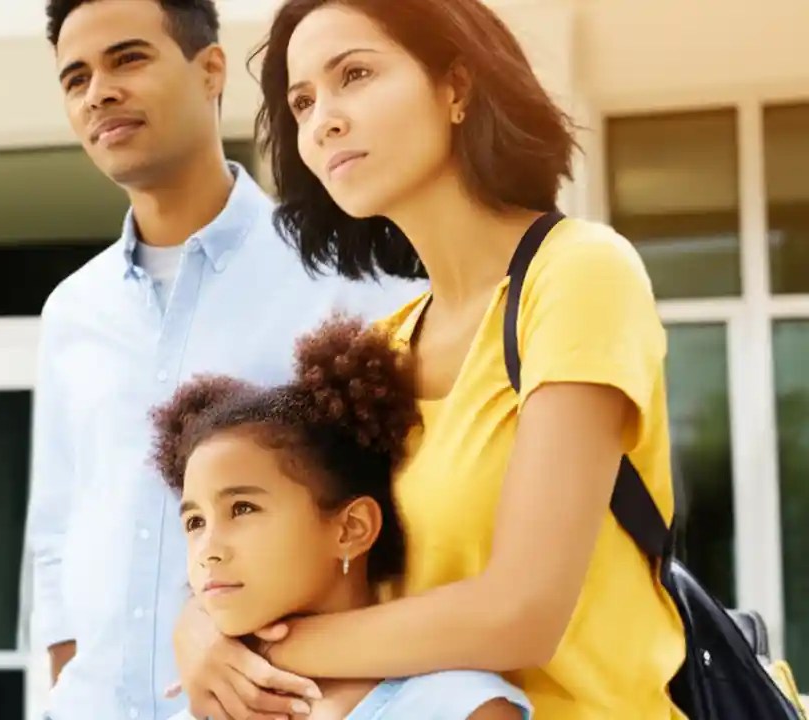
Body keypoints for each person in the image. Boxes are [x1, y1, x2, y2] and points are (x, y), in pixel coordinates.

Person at [171, 0, 688, 718]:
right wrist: (197, 627)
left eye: (354, 74)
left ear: (457, 88)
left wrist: (259, 649)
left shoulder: (578, 275)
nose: (323, 120)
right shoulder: (376, 351)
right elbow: (281, 537)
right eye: (302, 101)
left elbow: (522, 614)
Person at [28, 1, 421, 718]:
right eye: (75, 77)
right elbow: (57, 531)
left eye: (128, 58)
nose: (99, 92)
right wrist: (67, 680)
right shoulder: (72, 312)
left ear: (211, 69)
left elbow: (397, 529)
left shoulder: (347, 281)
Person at [150, 315, 532, 720]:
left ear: (352, 528)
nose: (207, 551)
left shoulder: (455, 708)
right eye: (194, 522)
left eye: (242, 509)